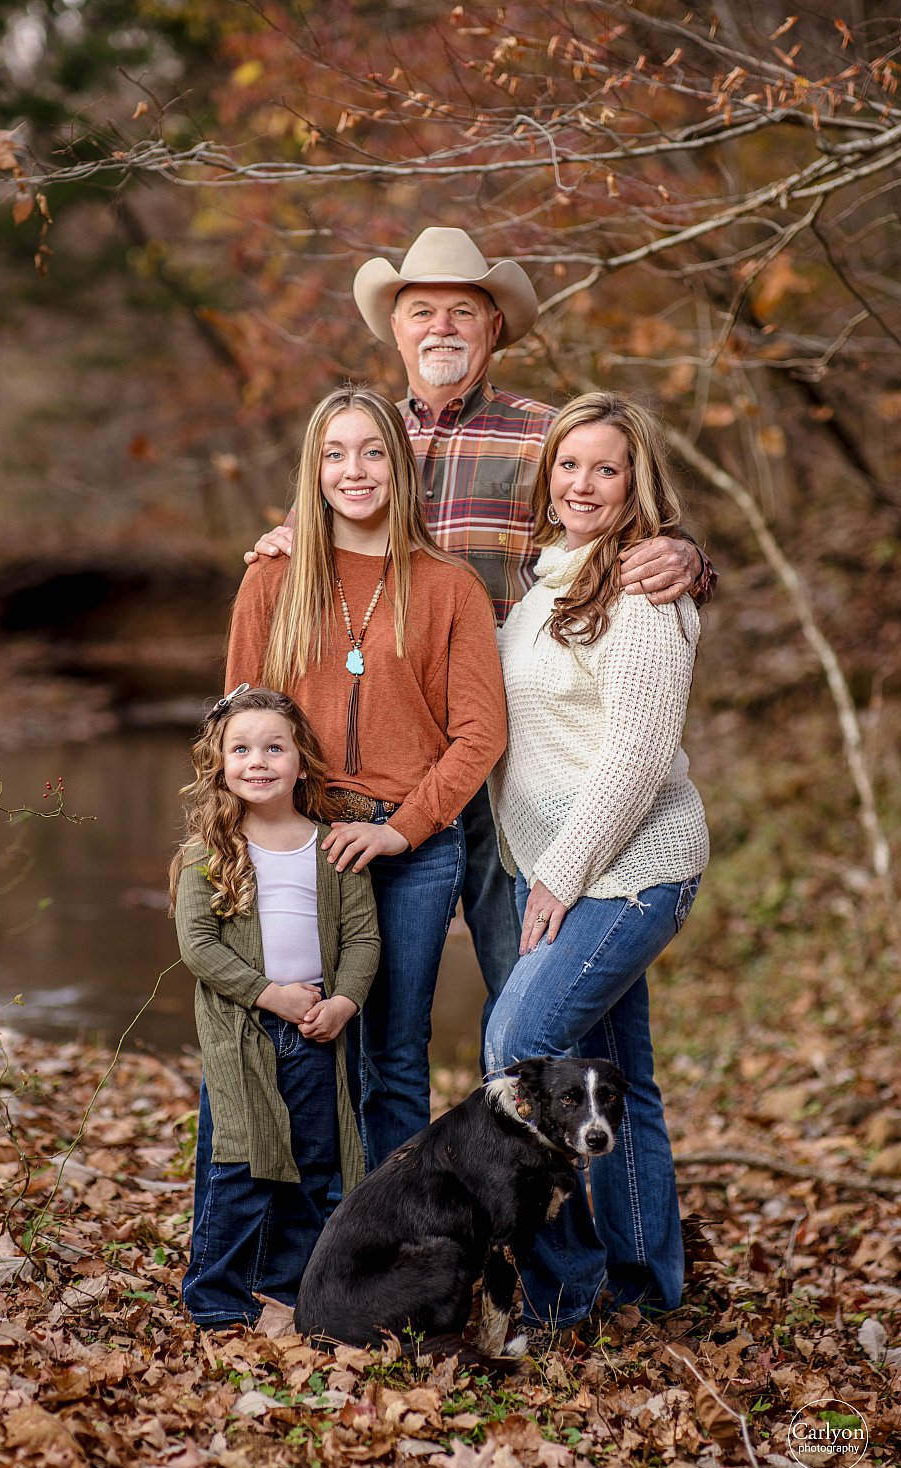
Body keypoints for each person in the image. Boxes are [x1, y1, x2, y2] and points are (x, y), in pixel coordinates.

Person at [244, 227, 716, 1037]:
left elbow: (626, 519)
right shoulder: (356, 446)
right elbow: (298, 574)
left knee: (532, 1003)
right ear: (394, 327)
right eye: (421, 310)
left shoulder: (546, 439)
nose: (442, 327)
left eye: (463, 311)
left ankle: (538, 1163)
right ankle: (398, 1169)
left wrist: (687, 555)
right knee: (377, 1016)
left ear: (494, 327)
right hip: (382, 777)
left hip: (512, 767)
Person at [225, 386, 506, 1168]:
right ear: (314, 469)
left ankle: (395, 1250)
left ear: (401, 466)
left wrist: (400, 829)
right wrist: (244, 843)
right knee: (305, 1046)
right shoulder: (272, 580)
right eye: (336, 453)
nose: (356, 470)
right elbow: (239, 725)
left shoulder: (450, 586)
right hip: (297, 844)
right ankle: (308, 1254)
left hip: (411, 849)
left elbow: (480, 734)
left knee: (394, 1060)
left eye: (374, 451)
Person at [483, 391, 710, 1330]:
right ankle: (645, 1290)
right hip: (581, 866)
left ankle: (565, 1291)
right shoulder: (550, 578)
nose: (583, 483)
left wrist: (556, 877)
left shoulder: (641, 591)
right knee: (620, 1085)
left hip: (628, 869)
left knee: (517, 1055)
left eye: (606, 469)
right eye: (569, 465)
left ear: (635, 482)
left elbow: (637, 755)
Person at [169, 684, 380, 1329]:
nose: (257, 761)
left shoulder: (332, 848)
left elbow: (364, 936)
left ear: (302, 760)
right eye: (241, 749)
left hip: (317, 1033)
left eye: (273, 747)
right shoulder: (211, 852)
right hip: (244, 1033)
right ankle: (215, 1300)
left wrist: (342, 1003)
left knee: (313, 1169)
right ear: (219, 762)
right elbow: (197, 946)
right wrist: (271, 996)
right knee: (240, 1166)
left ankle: (285, 1294)